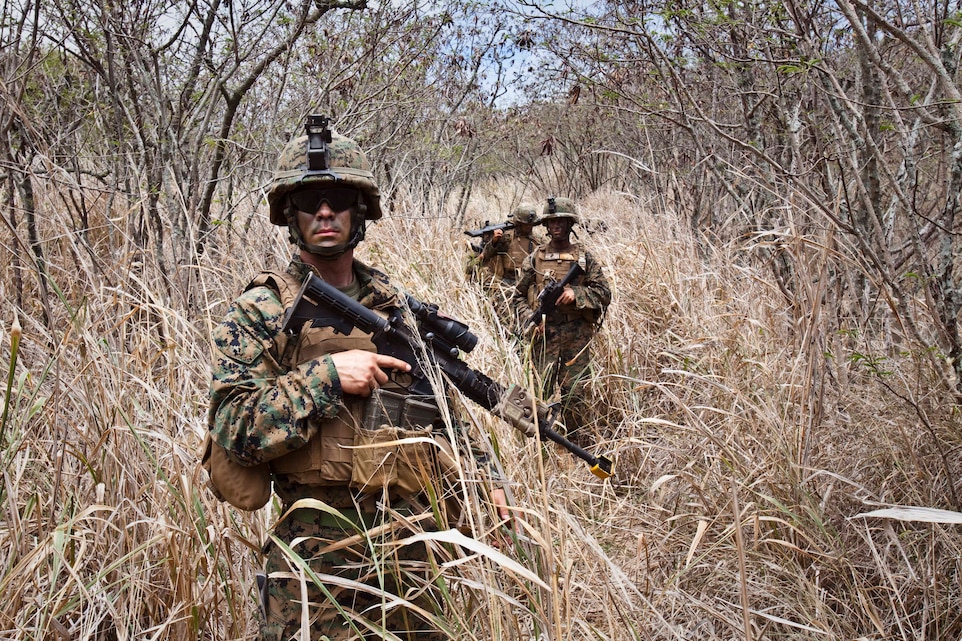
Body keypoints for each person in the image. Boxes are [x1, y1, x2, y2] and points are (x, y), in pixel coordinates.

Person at [206, 115, 509, 641]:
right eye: (310, 201)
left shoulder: (395, 308)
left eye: (339, 198)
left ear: (360, 210)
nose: (325, 211)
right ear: (289, 215)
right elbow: (232, 425)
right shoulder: (263, 309)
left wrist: (488, 480)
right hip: (313, 557)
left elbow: (445, 409)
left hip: (411, 547)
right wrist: (326, 377)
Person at [511, 196, 611, 446]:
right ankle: (532, 445)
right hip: (543, 336)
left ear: (570, 223)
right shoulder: (535, 258)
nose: (556, 226)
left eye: (561, 221)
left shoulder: (583, 258)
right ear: (545, 225)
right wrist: (531, 320)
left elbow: (604, 293)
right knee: (536, 393)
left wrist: (575, 294)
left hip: (576, 336)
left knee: (575, 394)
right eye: (551, 222)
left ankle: (575, 445)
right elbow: (517, 297)